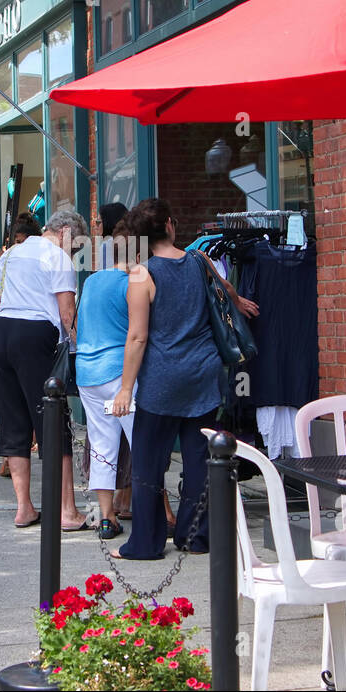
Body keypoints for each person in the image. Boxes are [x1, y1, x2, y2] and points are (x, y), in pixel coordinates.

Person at [112, 198, 258, 560]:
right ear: (171, 225)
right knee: (200, 460)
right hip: (204, 375)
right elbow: (225, 292)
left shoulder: (141, 275)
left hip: (163, 379)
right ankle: (197, 536)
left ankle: (145, 543)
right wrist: (240, 304)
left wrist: (126, 387)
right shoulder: (199, 260)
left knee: (148, 461)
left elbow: (137, 337)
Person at [0, 209, 87, 529]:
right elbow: (67, 312)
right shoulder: (57, 257)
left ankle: (24, 508)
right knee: (52, 422)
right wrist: (79, 348)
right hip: (35, 336)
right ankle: (66, 511)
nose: (73, 253)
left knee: (13, 421)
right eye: (76, 246)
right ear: (66, 233)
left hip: (1, 333)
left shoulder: (11, 253)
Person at [76, 218, 137, 540]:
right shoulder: (132, 283)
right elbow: (139, 333)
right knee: (142, 444)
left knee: (102, 447)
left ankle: (107, 518)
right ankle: (159, 514)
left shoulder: (92, 281)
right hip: (119, 372)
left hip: (88, 373)